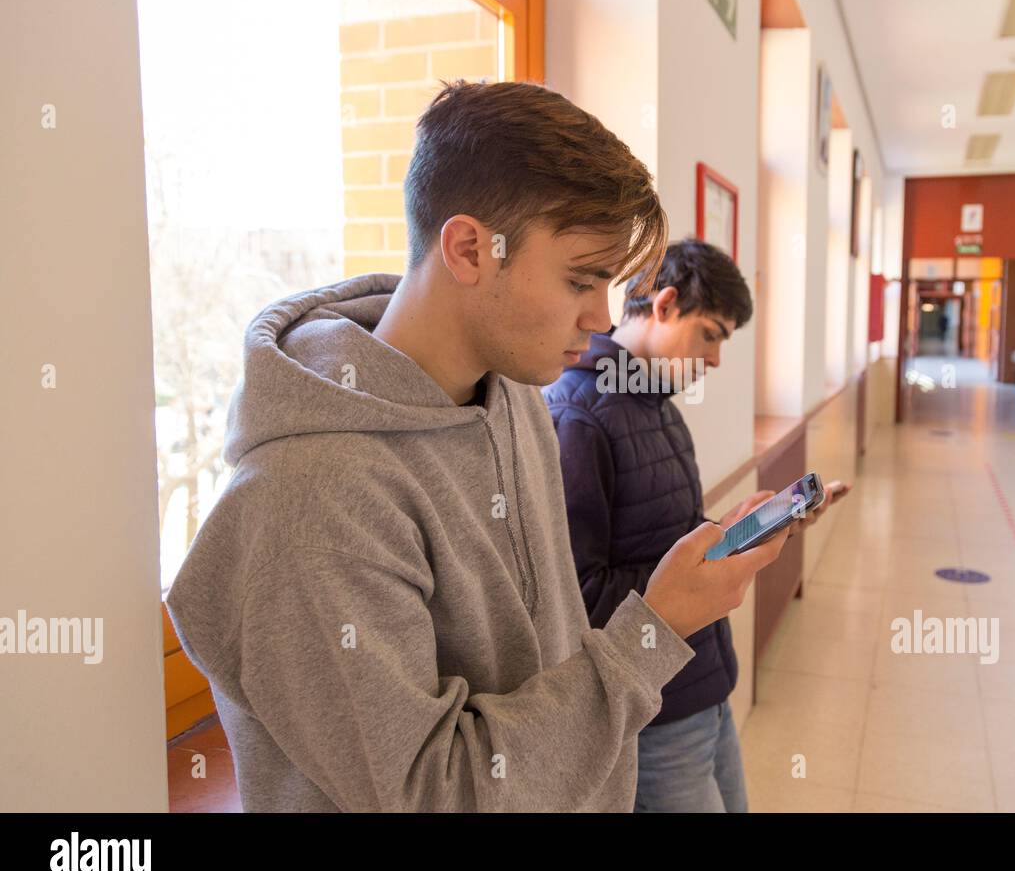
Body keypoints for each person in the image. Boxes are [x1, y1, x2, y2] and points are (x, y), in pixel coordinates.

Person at [164, 81, 790, 812]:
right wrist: (655, 630)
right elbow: (438, 792)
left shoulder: (516, 392)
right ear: (468, 248)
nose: (600, 318)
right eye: (581, 280)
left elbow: (547, 651)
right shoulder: (309, 493)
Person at [544, 238, 850, 812]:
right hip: (656, 711)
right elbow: (577, 595)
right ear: (663, 306)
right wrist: (707, 562)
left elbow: (668, 536)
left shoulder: (657, 405)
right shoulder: (576, 416)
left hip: (705, 681)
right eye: (710, 334)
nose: (714, 360)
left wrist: (735, 528)